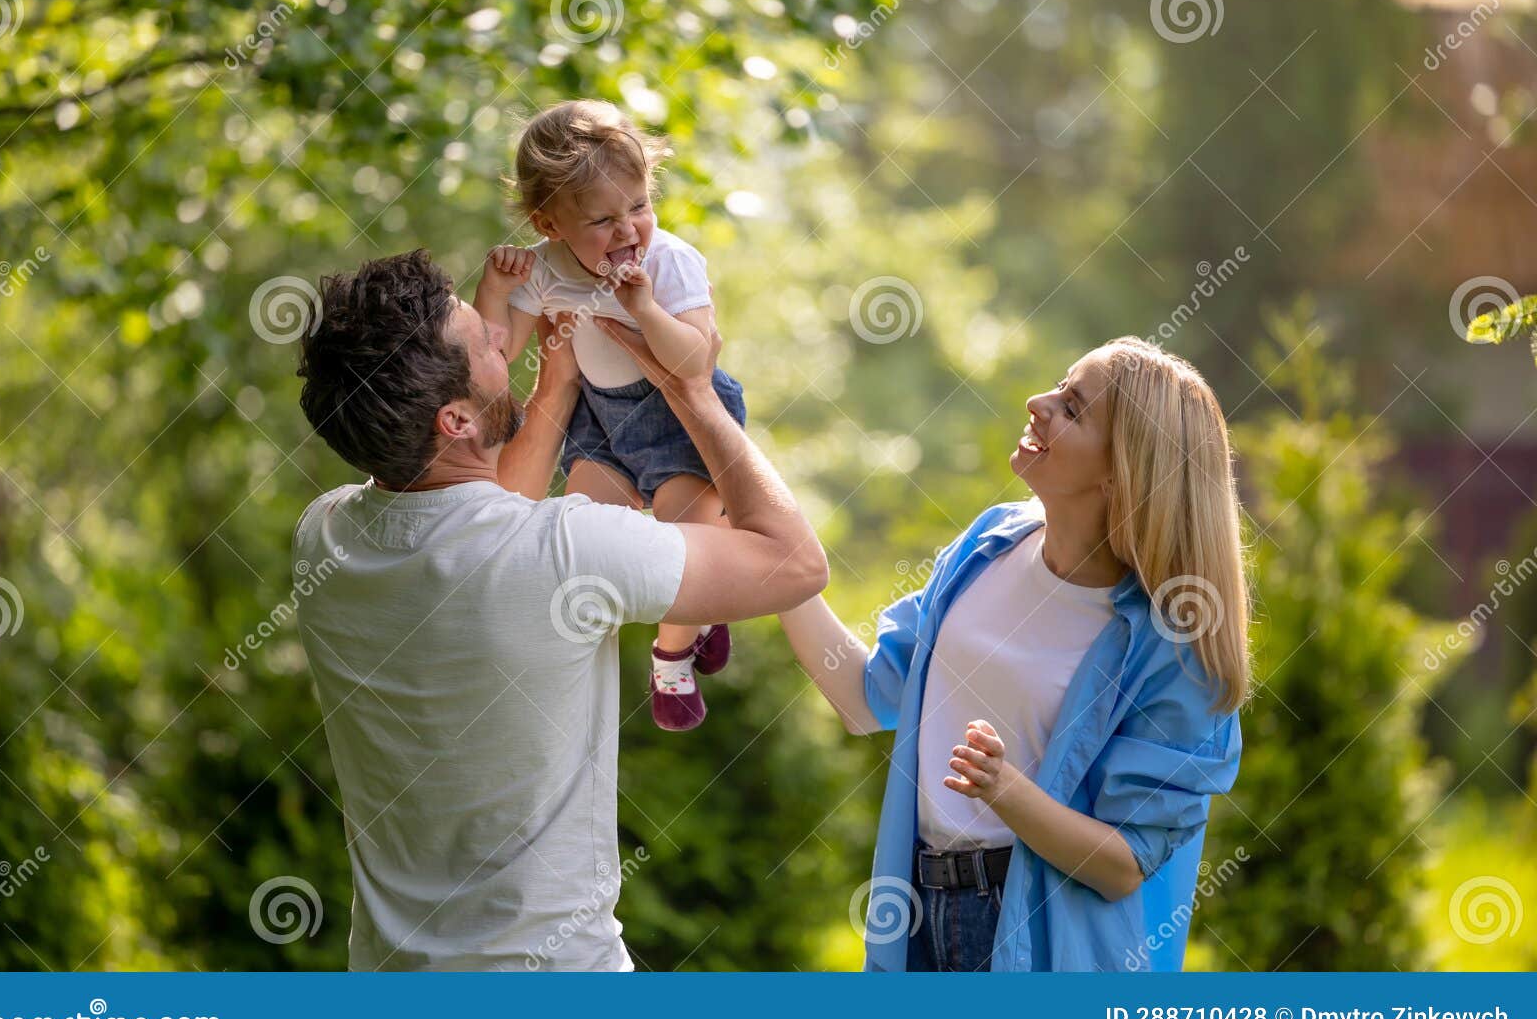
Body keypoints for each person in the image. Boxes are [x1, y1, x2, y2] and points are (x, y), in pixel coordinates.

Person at [291, 249, 826, 970]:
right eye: (484, 342)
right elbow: (795, 565)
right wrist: (693, 392)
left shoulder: (324, 538)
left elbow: (475, 518)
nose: (499, 337)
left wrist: (557, 382)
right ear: (453, 418)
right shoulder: (567, 551)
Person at [778, 337, 1249, 971]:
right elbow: (867, 696)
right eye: (1059, 385)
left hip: (1039, 942)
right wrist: (775, 565)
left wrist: (1006, 791)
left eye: (1073, 408)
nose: (1038, 402)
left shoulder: (1171, 644)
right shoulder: (988, 546)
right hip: (920, 913)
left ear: (1123, 472)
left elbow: (1123, 865)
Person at [475, 99, 744, 732]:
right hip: (599, 419)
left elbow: (696, 363)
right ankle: (700, 608)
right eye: (603, 219)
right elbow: (495, 357)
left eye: (639, 207)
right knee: (589, 538)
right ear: (549, 223)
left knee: (691, 541)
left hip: (678, 413)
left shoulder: (667, 262)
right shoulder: (544, 270)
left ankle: (672, 656)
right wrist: (493, 290)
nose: (629, 231)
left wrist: (646, 309)